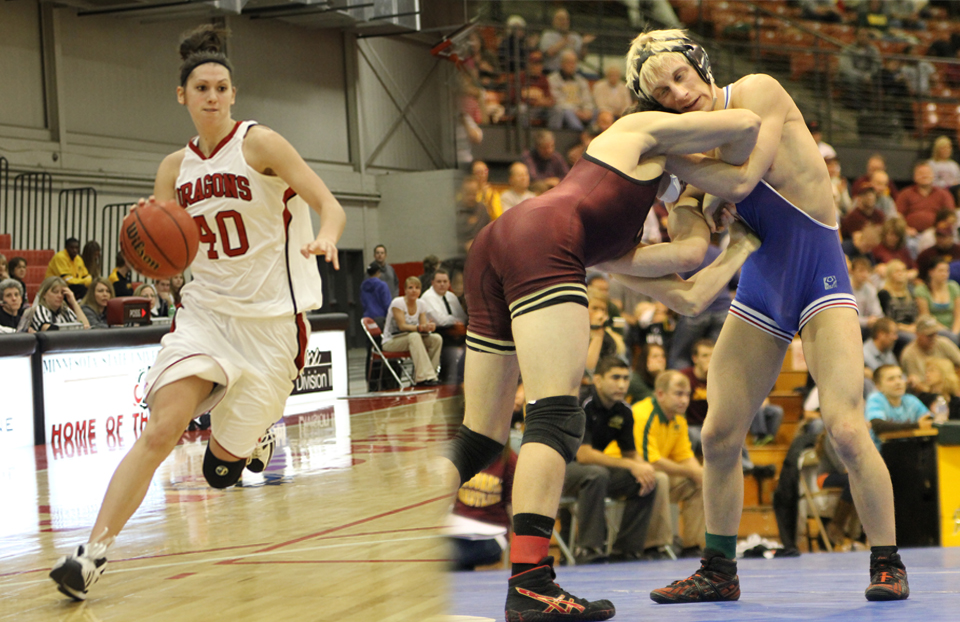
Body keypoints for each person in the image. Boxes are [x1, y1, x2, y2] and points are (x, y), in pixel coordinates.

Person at [48, 25, 345, 601]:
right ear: (181, 95)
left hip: (270, 326)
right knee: (162, 429)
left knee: (218, 473)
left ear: (234, 95)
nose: (212, 96)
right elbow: (163, 259)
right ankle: (91, 556)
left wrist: (326, 236)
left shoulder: (261, 144)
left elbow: (326, 204)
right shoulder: (172, 170)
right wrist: (142, 241)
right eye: (201, 88)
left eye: (222, 87)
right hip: (205, 315)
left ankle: (252, 438)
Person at [443, 98, 765, 620]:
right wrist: (701, 182)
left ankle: (384, 524)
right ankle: (530, 582)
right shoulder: (636, 128)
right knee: (555, 417)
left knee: (479, 437)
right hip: (541, 243)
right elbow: (747, 122)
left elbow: (687, 282)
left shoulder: (615, 240)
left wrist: (730, 244)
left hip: (496, 244)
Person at [631, 28, 909, 602]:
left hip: (820, 276)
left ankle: (887, 562)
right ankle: (718, 569)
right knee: (718, 432)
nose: (679, 95)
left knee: (848, 428)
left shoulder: (756, 91)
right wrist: (663, 207)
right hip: (761, 285)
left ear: (698, 65)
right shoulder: (692, 156)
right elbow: (692, 246)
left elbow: (739, 180)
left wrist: (664, 153)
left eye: (680, 77)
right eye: (662, 95)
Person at [562, 356, 658, 564]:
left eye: (626, 378)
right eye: (615, 378)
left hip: (594, 472)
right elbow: (584, 455)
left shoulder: (623, 411)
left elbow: (630, 454)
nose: (622, 384)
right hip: (561, 470)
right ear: (597, 380)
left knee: (647, 479)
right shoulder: (582, 404)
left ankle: (626, 549)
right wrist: (633, 465)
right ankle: (588, 548)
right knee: (596, 474)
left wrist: (643, 468)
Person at [611, 370, 706, 557]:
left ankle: (693, 546)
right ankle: (655, 546)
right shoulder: (643, 414)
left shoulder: (678, 418)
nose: (684, 400)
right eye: (678, 394)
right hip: (622, 470)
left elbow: (685, 456)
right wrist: (691, 472)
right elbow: (651, 460)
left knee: (698, 482)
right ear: (660, 394)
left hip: (650, 471)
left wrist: (700, 474)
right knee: (659, 478)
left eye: (687, 395)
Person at [450, 445, 517, 570]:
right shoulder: (462, 455)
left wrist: (521, 541)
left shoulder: (509, 460)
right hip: (459, 531)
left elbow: (512, 505)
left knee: (448, 556)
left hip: (493, 535)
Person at [382, 276, 441, 386]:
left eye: (417, 288)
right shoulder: (398, 303)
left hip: (412, 339)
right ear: (405, 290)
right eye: (410, 287)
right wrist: (420, 328)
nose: (414, 290)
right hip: (391, 341)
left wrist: (428, 327)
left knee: (436, 339)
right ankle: (422, 377)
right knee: (414, 336)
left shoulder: (421, 304)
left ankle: (431, 375)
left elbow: (423, 326)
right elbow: (402, 327)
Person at [865, 364, 932, 451]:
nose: (898, 382)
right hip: (880, 454)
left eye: (900, 377)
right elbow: (878, 425)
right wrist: (916, 425)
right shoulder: (876, 399)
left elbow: (929, 420)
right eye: (891, 379)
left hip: (907, 452)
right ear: (879, 386)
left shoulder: (910, 400)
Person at [900, 315, 960, 388]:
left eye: (935, 334)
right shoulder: (909, 354)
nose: (933, 338)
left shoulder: (943, 343)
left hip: (950, 388)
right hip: (927, 393)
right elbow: (918, 385)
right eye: (929, 335)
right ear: (917, 334)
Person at [896, 161, 956, 234]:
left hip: (937, 235)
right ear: (914, 177)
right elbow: (898, 215)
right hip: (909, 234)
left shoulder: (944, 194)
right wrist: (906, 229)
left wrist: (939, 229)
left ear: (933, 176)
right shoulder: (905, 194)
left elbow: (950, 216)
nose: (924, 176)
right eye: (921, 173)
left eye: (927, 173)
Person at [914, 257, 960, 341]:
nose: (944, 274)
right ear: (931, 272)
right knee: (949, 337)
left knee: (954, 336)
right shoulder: (922, 290)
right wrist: (946, 331)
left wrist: (955, 332)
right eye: (941, 271)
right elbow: (926, 317)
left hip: (954, 328)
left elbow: (958, 315)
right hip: (933, 328)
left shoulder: (953, 287)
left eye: (946, 271)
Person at [547, 50, 595, 131]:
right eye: (568, 62)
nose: (572, 65)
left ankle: (593, 132)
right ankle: (580, 131)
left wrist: (587, 110)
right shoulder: (552, 79)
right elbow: (558, 101)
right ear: (561, 64)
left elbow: (587, 98)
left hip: (581, 109)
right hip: (566, 110)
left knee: (598, 112)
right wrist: (576, 111)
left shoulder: (581, 80)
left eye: (574, 62)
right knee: (566, 112)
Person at [539, 8, 595, 74]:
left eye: (566, 19)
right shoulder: (547, 35)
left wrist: (584, 44)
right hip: (553, 71)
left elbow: (581, 57)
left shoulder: (575, 36)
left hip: (573, 72)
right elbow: (548, 53)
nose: (564, 22)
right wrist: (564, 42)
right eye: (561, 19)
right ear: (554, 21)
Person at [838, 28, 882, 109]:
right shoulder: (848, 49)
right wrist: (862, 76)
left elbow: (877, 64)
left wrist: (869, 74)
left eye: (866, 36)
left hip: (868, 75)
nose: (864, 38)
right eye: (861, 35)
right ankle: (855, 105)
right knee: (850, 78)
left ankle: (872, 107)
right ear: (856, 36)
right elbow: (846, 68)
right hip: (853, 75)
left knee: (880, 78)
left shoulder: (873, 50)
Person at [421, 268, 467, 342]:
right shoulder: (428, 297)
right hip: (436, 332)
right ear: (432, 283)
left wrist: (458, 323)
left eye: (445, 281)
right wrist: (456, 321)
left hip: (453, 330)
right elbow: (441, 321)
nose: (442, 284)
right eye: (439, 282)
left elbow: (462, 316)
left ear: (449, 283)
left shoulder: (451, 296)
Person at [913, 356, 960, 421]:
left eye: (931, 371)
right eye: (926, 371)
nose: (927, 374)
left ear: (944, 373)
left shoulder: (955, 401)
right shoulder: (922, 398)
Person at [456, 176, 490, 255]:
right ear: (461, 192)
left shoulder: (482, 210)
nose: (471, 198)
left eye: (474, 194)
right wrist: (464, 246)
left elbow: (488, 234)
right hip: (459, 256)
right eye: (468, 194)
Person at [850, 256, 884, 336]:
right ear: (852, 272)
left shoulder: (870, 289)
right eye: (861, 271)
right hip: (850, 326)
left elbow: (878, 313)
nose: (864, 275)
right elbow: (846, 318)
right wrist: (866, 321)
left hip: (868, 326)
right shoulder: (845, 289)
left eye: (867, 271)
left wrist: (874, 320)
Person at [361, 261, 392, 326]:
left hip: (367, 318)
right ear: (378, 272)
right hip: (380, 317)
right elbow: (387, 303)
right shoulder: (382, 285)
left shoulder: (363, 286)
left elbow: (363, 302)